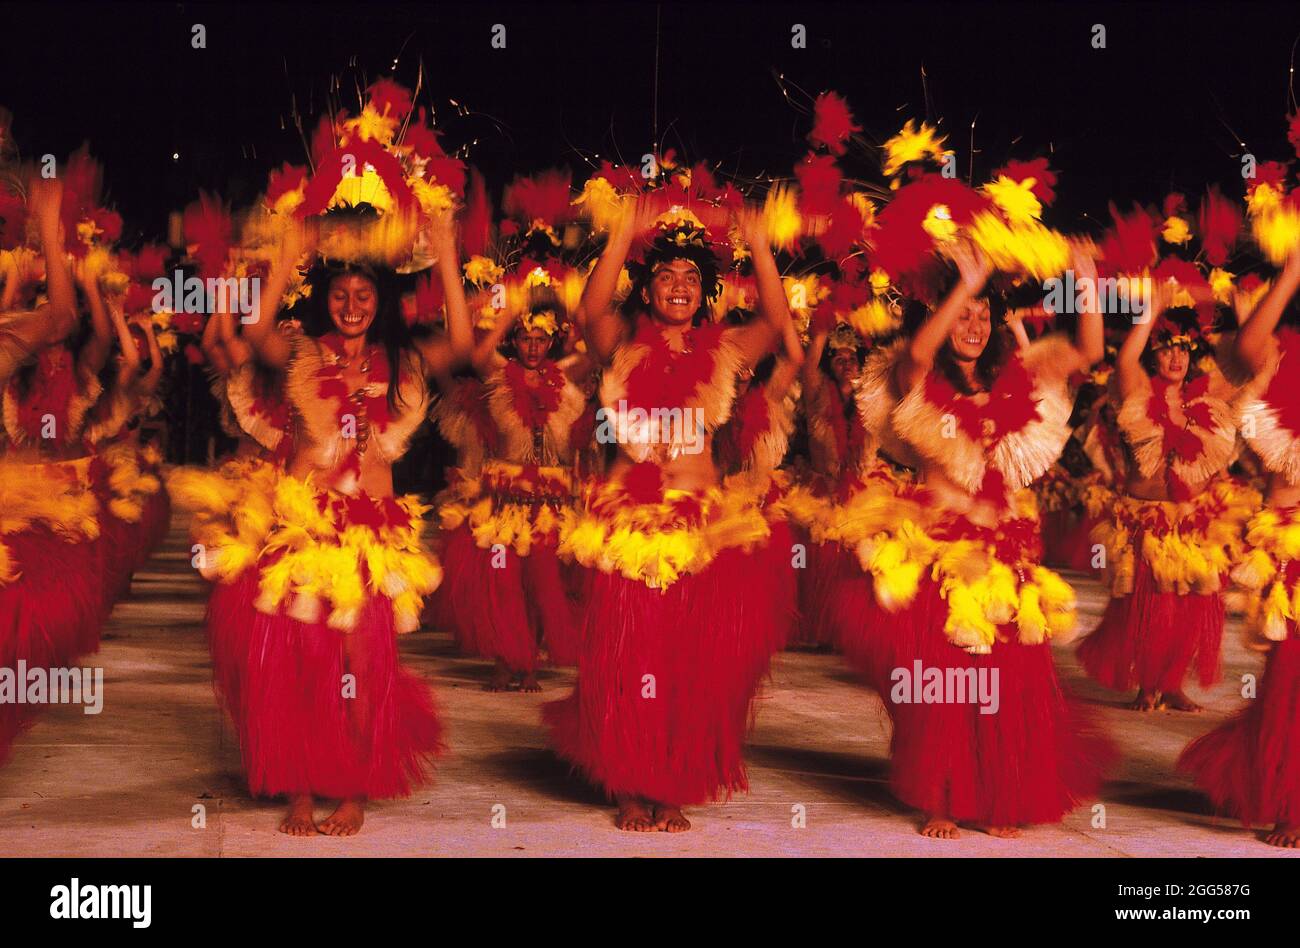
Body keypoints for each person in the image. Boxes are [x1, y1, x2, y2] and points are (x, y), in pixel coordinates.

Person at [169, 210, 471, 835]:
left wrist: (444, 251)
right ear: (325, 300)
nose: (352, 306)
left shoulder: (405, 362)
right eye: (340, 295)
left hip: (371, 537)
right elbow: (253, 333)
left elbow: (464, 345)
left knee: (362, 669)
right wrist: (290, 249)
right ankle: (300, 787)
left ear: (380, 299)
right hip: (303, 531)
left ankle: (354, 789)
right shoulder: (303, 352)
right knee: (300, 667)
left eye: (363, 295)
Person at [545, 200, 796, 832]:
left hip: (702, 526)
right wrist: (623, 233)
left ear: (705, 288)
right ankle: (629, 783)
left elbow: (776, 319)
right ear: (648, 286)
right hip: (629, 522)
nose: (678, 286)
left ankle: (673, 780)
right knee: (629, 661)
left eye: (689, 275)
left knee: (692, 664)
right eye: (665, 275)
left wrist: (760, 244)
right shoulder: (622, 342)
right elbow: (589, 311)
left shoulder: (728, 348)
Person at [850, 240, 1113, 838]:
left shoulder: (1017, 378)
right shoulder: (915, 377)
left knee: (1009, 688)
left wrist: (1086, 280)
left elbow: (1089, 350)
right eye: (963, 314)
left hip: (1006, 553)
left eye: (982, 316)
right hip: (940, 553)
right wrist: (968, 280)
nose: (973, 325)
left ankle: (1001, 795)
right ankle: (940, 797)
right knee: (944, 689)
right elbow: (919, 350)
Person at [1078, 282, 1252, 712]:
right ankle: (1148, 685)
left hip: (1192, 520)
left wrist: (1242, 311)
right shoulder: (1137, 391)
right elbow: (1123, 360)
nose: (1176, 358)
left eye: (1183, 350)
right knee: (1149, 607)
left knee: (1188, 608)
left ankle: (1171, 683)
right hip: (1147, 518)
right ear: (1154, 355)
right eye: (1166, 349)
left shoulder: (1205, 398)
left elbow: (1248, 367)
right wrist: (1151, 310)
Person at [1179, 241, 1300, 846]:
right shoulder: (1285, 356)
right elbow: (1250, 345)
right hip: (1292, 548)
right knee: (1292, 680)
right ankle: (1288, 800)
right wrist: (1295, 268)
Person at [436, 293, 595, 690]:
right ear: (515, 341)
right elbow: (477, 354)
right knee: (504, 584)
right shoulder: (500, 374)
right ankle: (507, 659)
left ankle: (529, 662)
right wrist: (512, 310)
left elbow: (596, 349)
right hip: (505, 496)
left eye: (541, 338)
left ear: (553, 340)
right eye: (525, 338)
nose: (534, 347)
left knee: (543, 584)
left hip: (551, 497)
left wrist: (566, 306)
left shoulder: (564, 374)